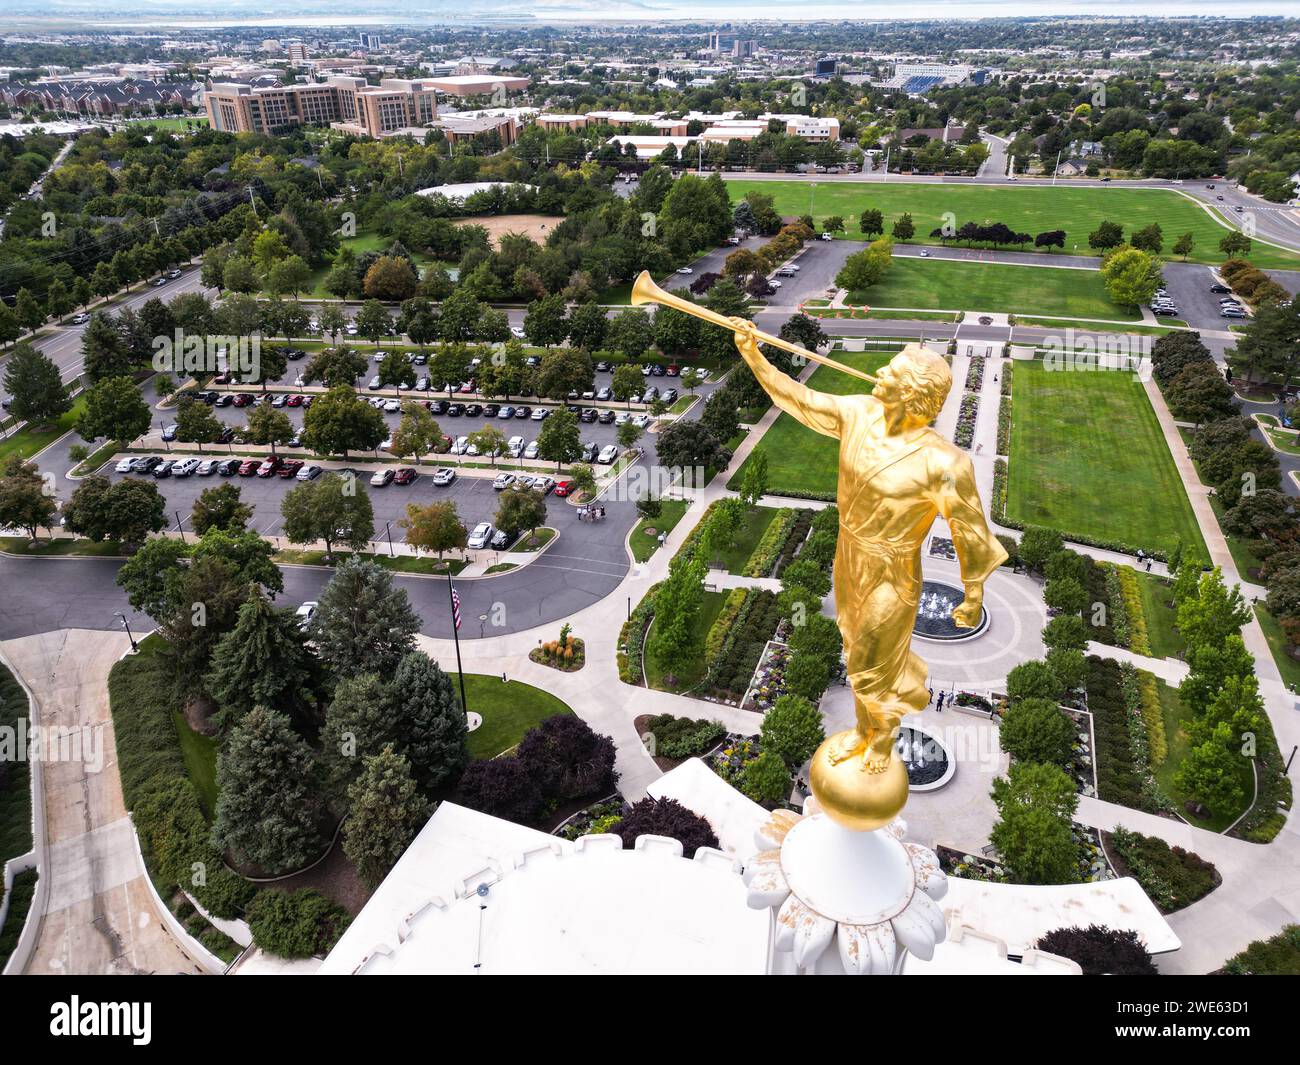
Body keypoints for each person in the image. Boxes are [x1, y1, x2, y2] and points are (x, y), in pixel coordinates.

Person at [732, 321, 1006, 771]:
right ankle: (863, 730)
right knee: (852, 647)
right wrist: (754, 355)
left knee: (870, 662)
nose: (880, 371)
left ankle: (881, 738)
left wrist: (973, 594)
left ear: (913, 392)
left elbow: (970, 530)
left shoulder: (945, 463)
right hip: (848, 554)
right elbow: (801, 401)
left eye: (892, 372)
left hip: (893, 571)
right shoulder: (858, 413)